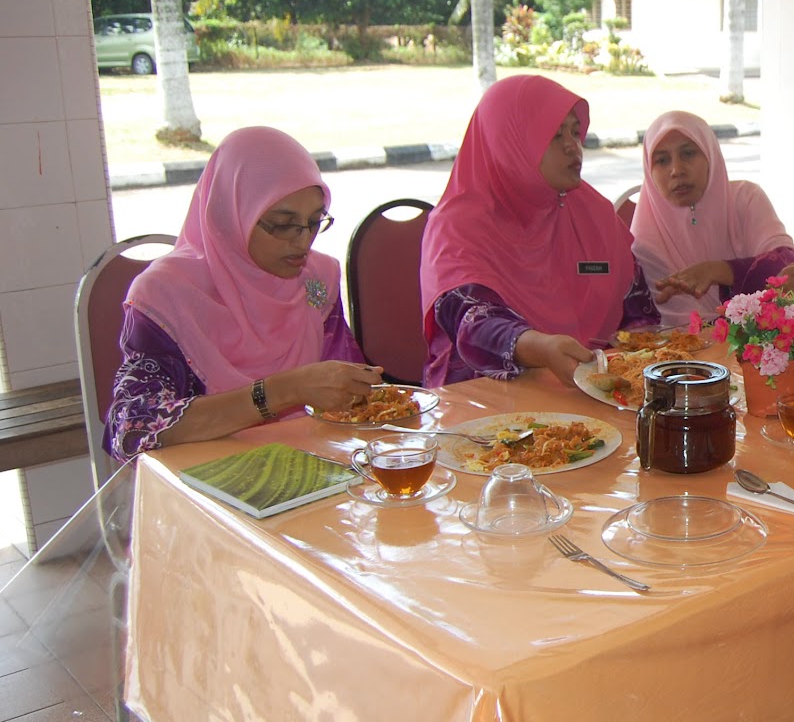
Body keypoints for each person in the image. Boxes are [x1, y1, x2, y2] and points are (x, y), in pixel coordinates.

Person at [106, 127, 381, 463]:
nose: (302, 241)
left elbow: (352, 398)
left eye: (314, 221)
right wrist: (284, 391)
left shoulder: (316, 279)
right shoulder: (167, 295)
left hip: (314, 464)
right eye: (282, 224)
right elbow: (135, 427)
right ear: (231, 214)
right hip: (206, 479)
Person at [419, 75, 658, 386]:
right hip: (484, 404)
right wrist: (539, 347)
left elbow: (638, 309)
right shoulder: (457, 226)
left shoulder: (592, 212)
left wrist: (636, 355)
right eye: (555, 135)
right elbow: (472, 323)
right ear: (509, 142)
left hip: (597, 390)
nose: (574, 148)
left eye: (575, 132)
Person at [631, 110, 794, 326]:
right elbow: (646, 327)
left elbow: (789, 262)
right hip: (681, 355)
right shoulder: (644, 239)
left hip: (766, 342)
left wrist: (721, 270)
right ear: (649, 171)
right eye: (662, 160)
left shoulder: (746, 199)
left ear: (711, 156)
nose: (676, 170)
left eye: (688, 153)